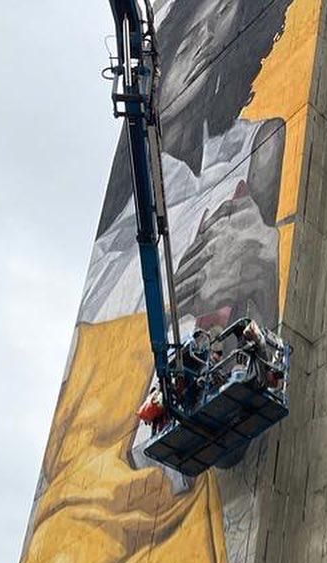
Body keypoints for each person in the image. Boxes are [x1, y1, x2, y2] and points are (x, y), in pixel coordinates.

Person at [80, 0, 290, 330]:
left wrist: (266, 279)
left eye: (224, 11)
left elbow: (253, 334)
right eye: (198, 15)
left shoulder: (254, 146)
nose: (203, 34)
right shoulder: (122, 213)